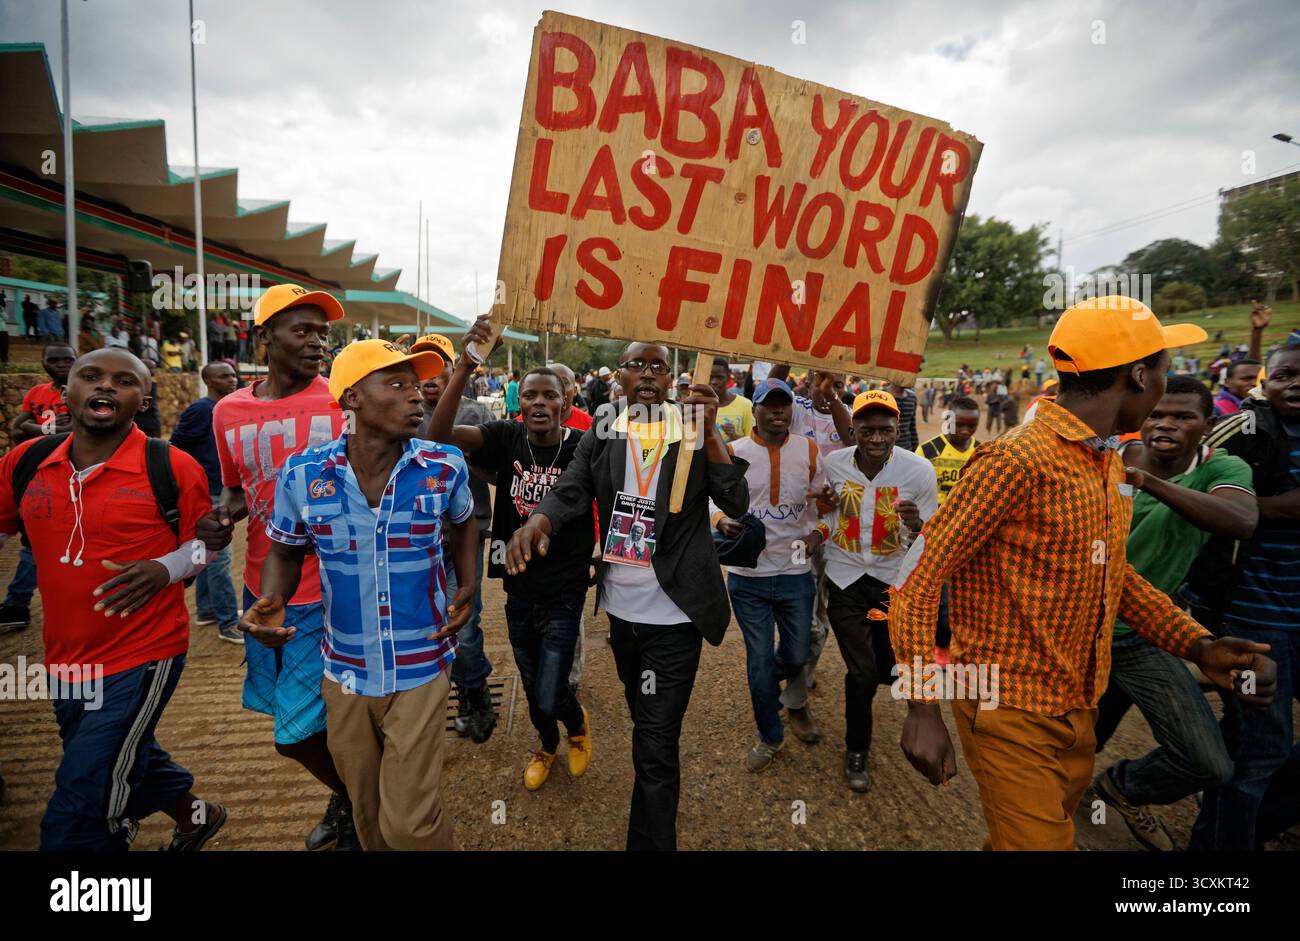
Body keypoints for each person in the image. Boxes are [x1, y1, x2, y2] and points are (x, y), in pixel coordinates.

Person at [888, 296, 1276, 851]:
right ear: (1140, 376)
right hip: (1006, 709)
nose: (1167, 386)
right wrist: (921, 706)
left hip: (1077, 706)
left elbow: (1116, 578)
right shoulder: (1013, 462)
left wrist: (1199, 646)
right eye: (1165, 369)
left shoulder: (1108, 460)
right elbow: (917, 582)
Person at [507, 340, 748, 851]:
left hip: (676, 614)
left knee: (655, 747)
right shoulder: (605, 426)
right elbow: (572, 486)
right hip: (622, 611)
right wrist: (539, 520)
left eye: (657, 367)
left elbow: (735, 499)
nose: (646, 374)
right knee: (645, 721)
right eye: (635, 364)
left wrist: (709, 434)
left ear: (670, 378)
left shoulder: (692, 427)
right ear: (619, 375)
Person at [249, 339, 473, 850]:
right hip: (345, 671)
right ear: (351, 398)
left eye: (417, 386)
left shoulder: (444, 466)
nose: (416, 397)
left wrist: (469, 583)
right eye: (397, 385)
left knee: (409, 826)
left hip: (422, 665)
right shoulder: (304, 475)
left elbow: (462, 525)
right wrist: (272, 599)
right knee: (368, 815)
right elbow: (283, 551)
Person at [0, 347, 226, 850]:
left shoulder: (170, 465)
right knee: (113, 751)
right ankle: (197, 815)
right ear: (66, 392)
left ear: (142, 399)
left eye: (123, 381)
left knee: (84, 797)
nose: (105, 386)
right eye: (91, 376)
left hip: (142, 653)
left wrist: (162, 569)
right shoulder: (26, 462)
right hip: (64, 658)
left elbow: (204, 546)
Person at [201, 283, 357, 851]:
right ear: (264, 336)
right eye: (303, 330)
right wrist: (220, 517)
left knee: (295, 734)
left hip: (334, 588)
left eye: (323, 332)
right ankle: (348, 795)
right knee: (294, 714)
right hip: (263, 588)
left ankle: (360, 805)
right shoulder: (228, 412)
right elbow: (238, 492)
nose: (318, 342)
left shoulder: (344, 402)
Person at [1088, 376, 1256, 851]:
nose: (1165, 424)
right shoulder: (1111, 455)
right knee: (1076, 744)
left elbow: (1241, 519)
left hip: (1144, 634)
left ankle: (1119, 789)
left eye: (1183, 417)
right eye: (1157, 414)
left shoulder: (1221, 467)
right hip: (1079, 630)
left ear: (1207, 424)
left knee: (1208, 762)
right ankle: (1067, 818)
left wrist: (1149, 483)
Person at [430, 337, 596, 791]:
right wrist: (463, 368)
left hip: (565, 590)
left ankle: (576, 725)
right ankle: (546, 744)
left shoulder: (584, 447)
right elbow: (436, 436)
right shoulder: (506, 438)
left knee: (550, 687)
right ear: (517, 401)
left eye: (550, 395)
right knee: (530, 681)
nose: (540, 402)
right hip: (519, 589)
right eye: (530, 395)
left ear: (566, 402)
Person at [1188, 337, 1300, 850]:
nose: (1294, 384)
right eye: (1283, 376)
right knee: (1256, 750)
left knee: (1262, 754)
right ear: (1264, 383)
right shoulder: (1248, 428)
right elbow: (1194, 484)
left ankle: (1257, 828)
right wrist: (1276, 507)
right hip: (1254, 616)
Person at [814, 390, 937, 791]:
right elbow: (825, 512)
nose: (877, 438)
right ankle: (857, 750)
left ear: (896, 430)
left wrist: (918, 523)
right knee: (862, 674)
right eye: (868, 429)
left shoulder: (918, 472)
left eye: (886, 430)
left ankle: (876, 684)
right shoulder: (832, 464)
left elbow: (931, 536)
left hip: (890, 584)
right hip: (845, 578)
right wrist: (823, 511)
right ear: (854, 429)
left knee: (886, 668)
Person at [713, 378, 825, 771]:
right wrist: (722, 519)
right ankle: (770, 735)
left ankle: (776, 691)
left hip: (796, 571)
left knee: (797, 654)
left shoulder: (809, 450)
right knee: (758, 659)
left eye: (784, 405)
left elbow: (825, 504)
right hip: (748, 576)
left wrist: (818, 533)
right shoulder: (734, 451)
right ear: (754, 410)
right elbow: (712, 498)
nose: (778, 411)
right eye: (769, 405)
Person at [412, 332, 496, 742]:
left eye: (436, 365)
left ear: (452, 368)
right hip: (414, 539)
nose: (428, 376)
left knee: (464, 619)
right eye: (419, 367)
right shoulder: (401, 412)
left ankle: (474, 691)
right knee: (417, 619)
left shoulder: (476, 412)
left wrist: (456, 460)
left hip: (464, 534)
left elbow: (493, 470)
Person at [0, 344, 77, 633]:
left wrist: (39, 427)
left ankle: (19, 604)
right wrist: (52, 429)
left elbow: (78, 430)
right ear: (42, 362)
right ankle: (18, 605)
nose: (59, 364)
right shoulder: (37, 393)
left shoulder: (84, 389)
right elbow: (18, 429)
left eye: (66, 359)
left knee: (37, 544)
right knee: (31, 541)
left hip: (68, 473)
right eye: (53, 359)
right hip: (34, 474)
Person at [170, 361, 242, 643]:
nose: (232, 379)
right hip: (208, 492)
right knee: (220, 560)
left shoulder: (224, 408)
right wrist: (193, 478)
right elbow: (176, 446)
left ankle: (207, 610)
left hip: (218, 489)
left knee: (208, 557)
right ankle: (228, 623)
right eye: (224, 375)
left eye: (233, 375)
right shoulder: (201, 409)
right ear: (208, 379)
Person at [710, 359, 753, 442]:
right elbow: (690, 445)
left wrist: (734, 436)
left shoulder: (745, 405)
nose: (714, 382)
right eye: (710, 377)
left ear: (728, 378)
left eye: (719, 377)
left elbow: (753, 444)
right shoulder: (697, 406)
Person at [886, 382, 919, 452]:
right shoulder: (881, 396)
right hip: (886, 450)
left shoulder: (912, 397)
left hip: (907, 448)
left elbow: (912, 426)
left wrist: (915, 447)